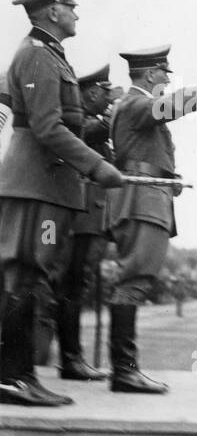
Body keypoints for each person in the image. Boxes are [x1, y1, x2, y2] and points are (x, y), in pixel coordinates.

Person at [1, 0, 125, 406]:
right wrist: (97, 166)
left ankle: (20, 374)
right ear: (53, 10)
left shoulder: (50, 55)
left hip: (50, 187)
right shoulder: (36, 55)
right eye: (71, 7)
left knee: (35, 272)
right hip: (36, 185)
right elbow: (48, 127)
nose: (76, 14)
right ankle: (12, 377)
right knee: (25, 272)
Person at [104, 45, 197, 394]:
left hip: (143, 197)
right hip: (144, 201)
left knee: (133, 280)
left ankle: (124, 369)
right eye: (164, 74)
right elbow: (177, 103)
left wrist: (169, 177)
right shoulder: (138, 104)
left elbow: (143, 154)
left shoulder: (127, 107)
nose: (167, 81)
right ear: (152, 74)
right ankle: (124, 371)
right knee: (135, 281)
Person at [54, 64, 117, 381]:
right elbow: (88, 133)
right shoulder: (82, 122)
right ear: (91, 92)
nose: (109, 98)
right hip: (79, 216)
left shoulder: (93, 123)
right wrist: (113, 114)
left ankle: (72, 358)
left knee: (76, 284)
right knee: (71, 285)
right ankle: (71, 359)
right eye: (106, 92)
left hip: (89, 216)